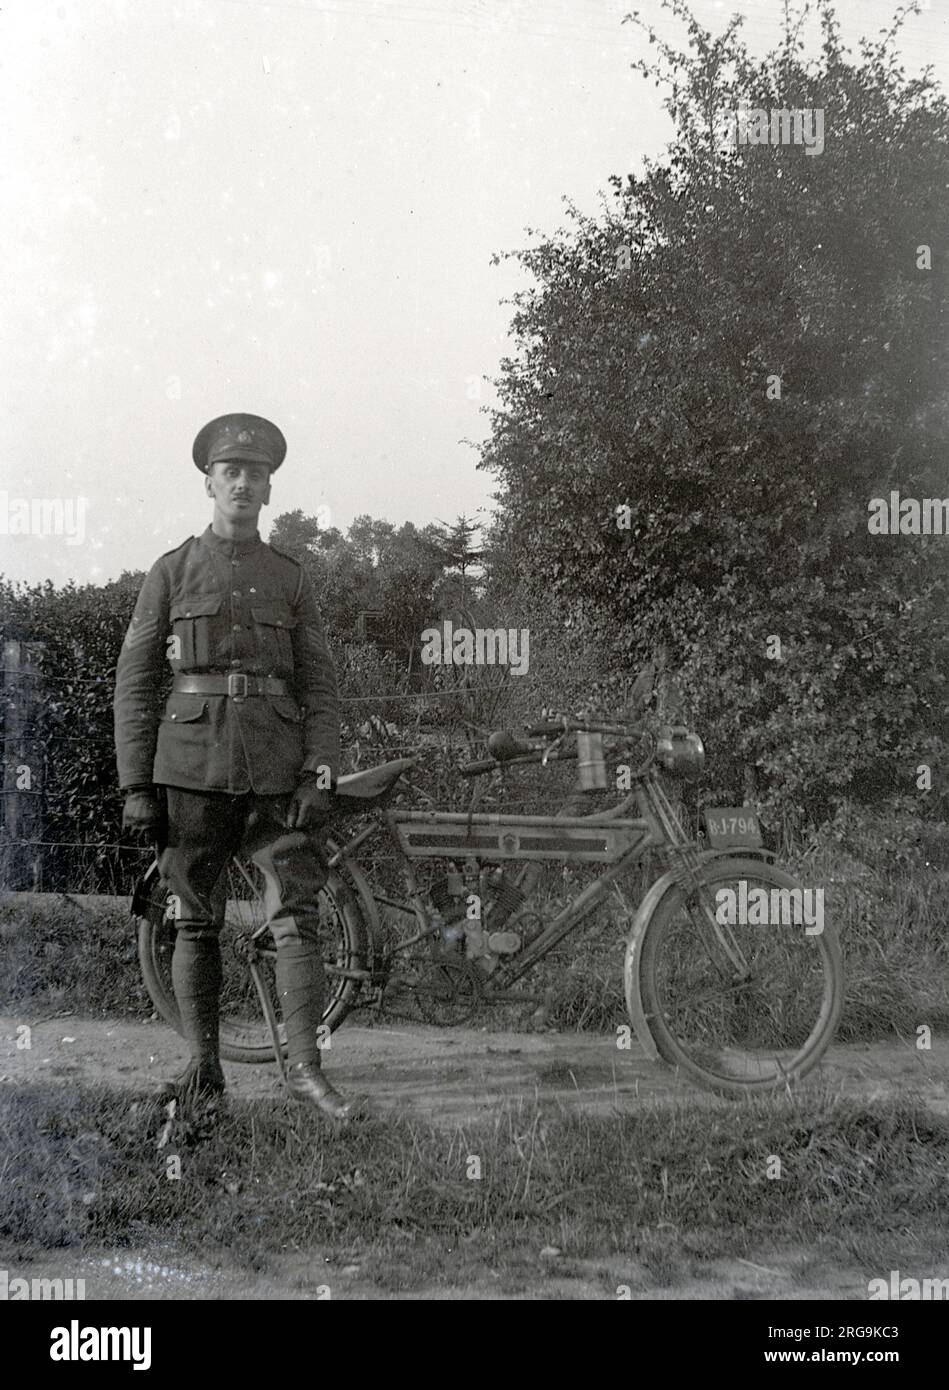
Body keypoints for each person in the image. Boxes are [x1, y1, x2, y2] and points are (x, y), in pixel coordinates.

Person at [114, 413, 353, 1119]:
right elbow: (133, 683)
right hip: (188, 769)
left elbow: (321, 685)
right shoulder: (172, 570)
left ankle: (306, 1072)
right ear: (210, 482)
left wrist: (319, 767)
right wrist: (135, 784)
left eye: (256, 474)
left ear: (269, 490)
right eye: (231, 472)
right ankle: (203, 1069)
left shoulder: (290, 578)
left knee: (296, 918)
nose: (243, 483)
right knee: (194, 920)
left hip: (277, 773)